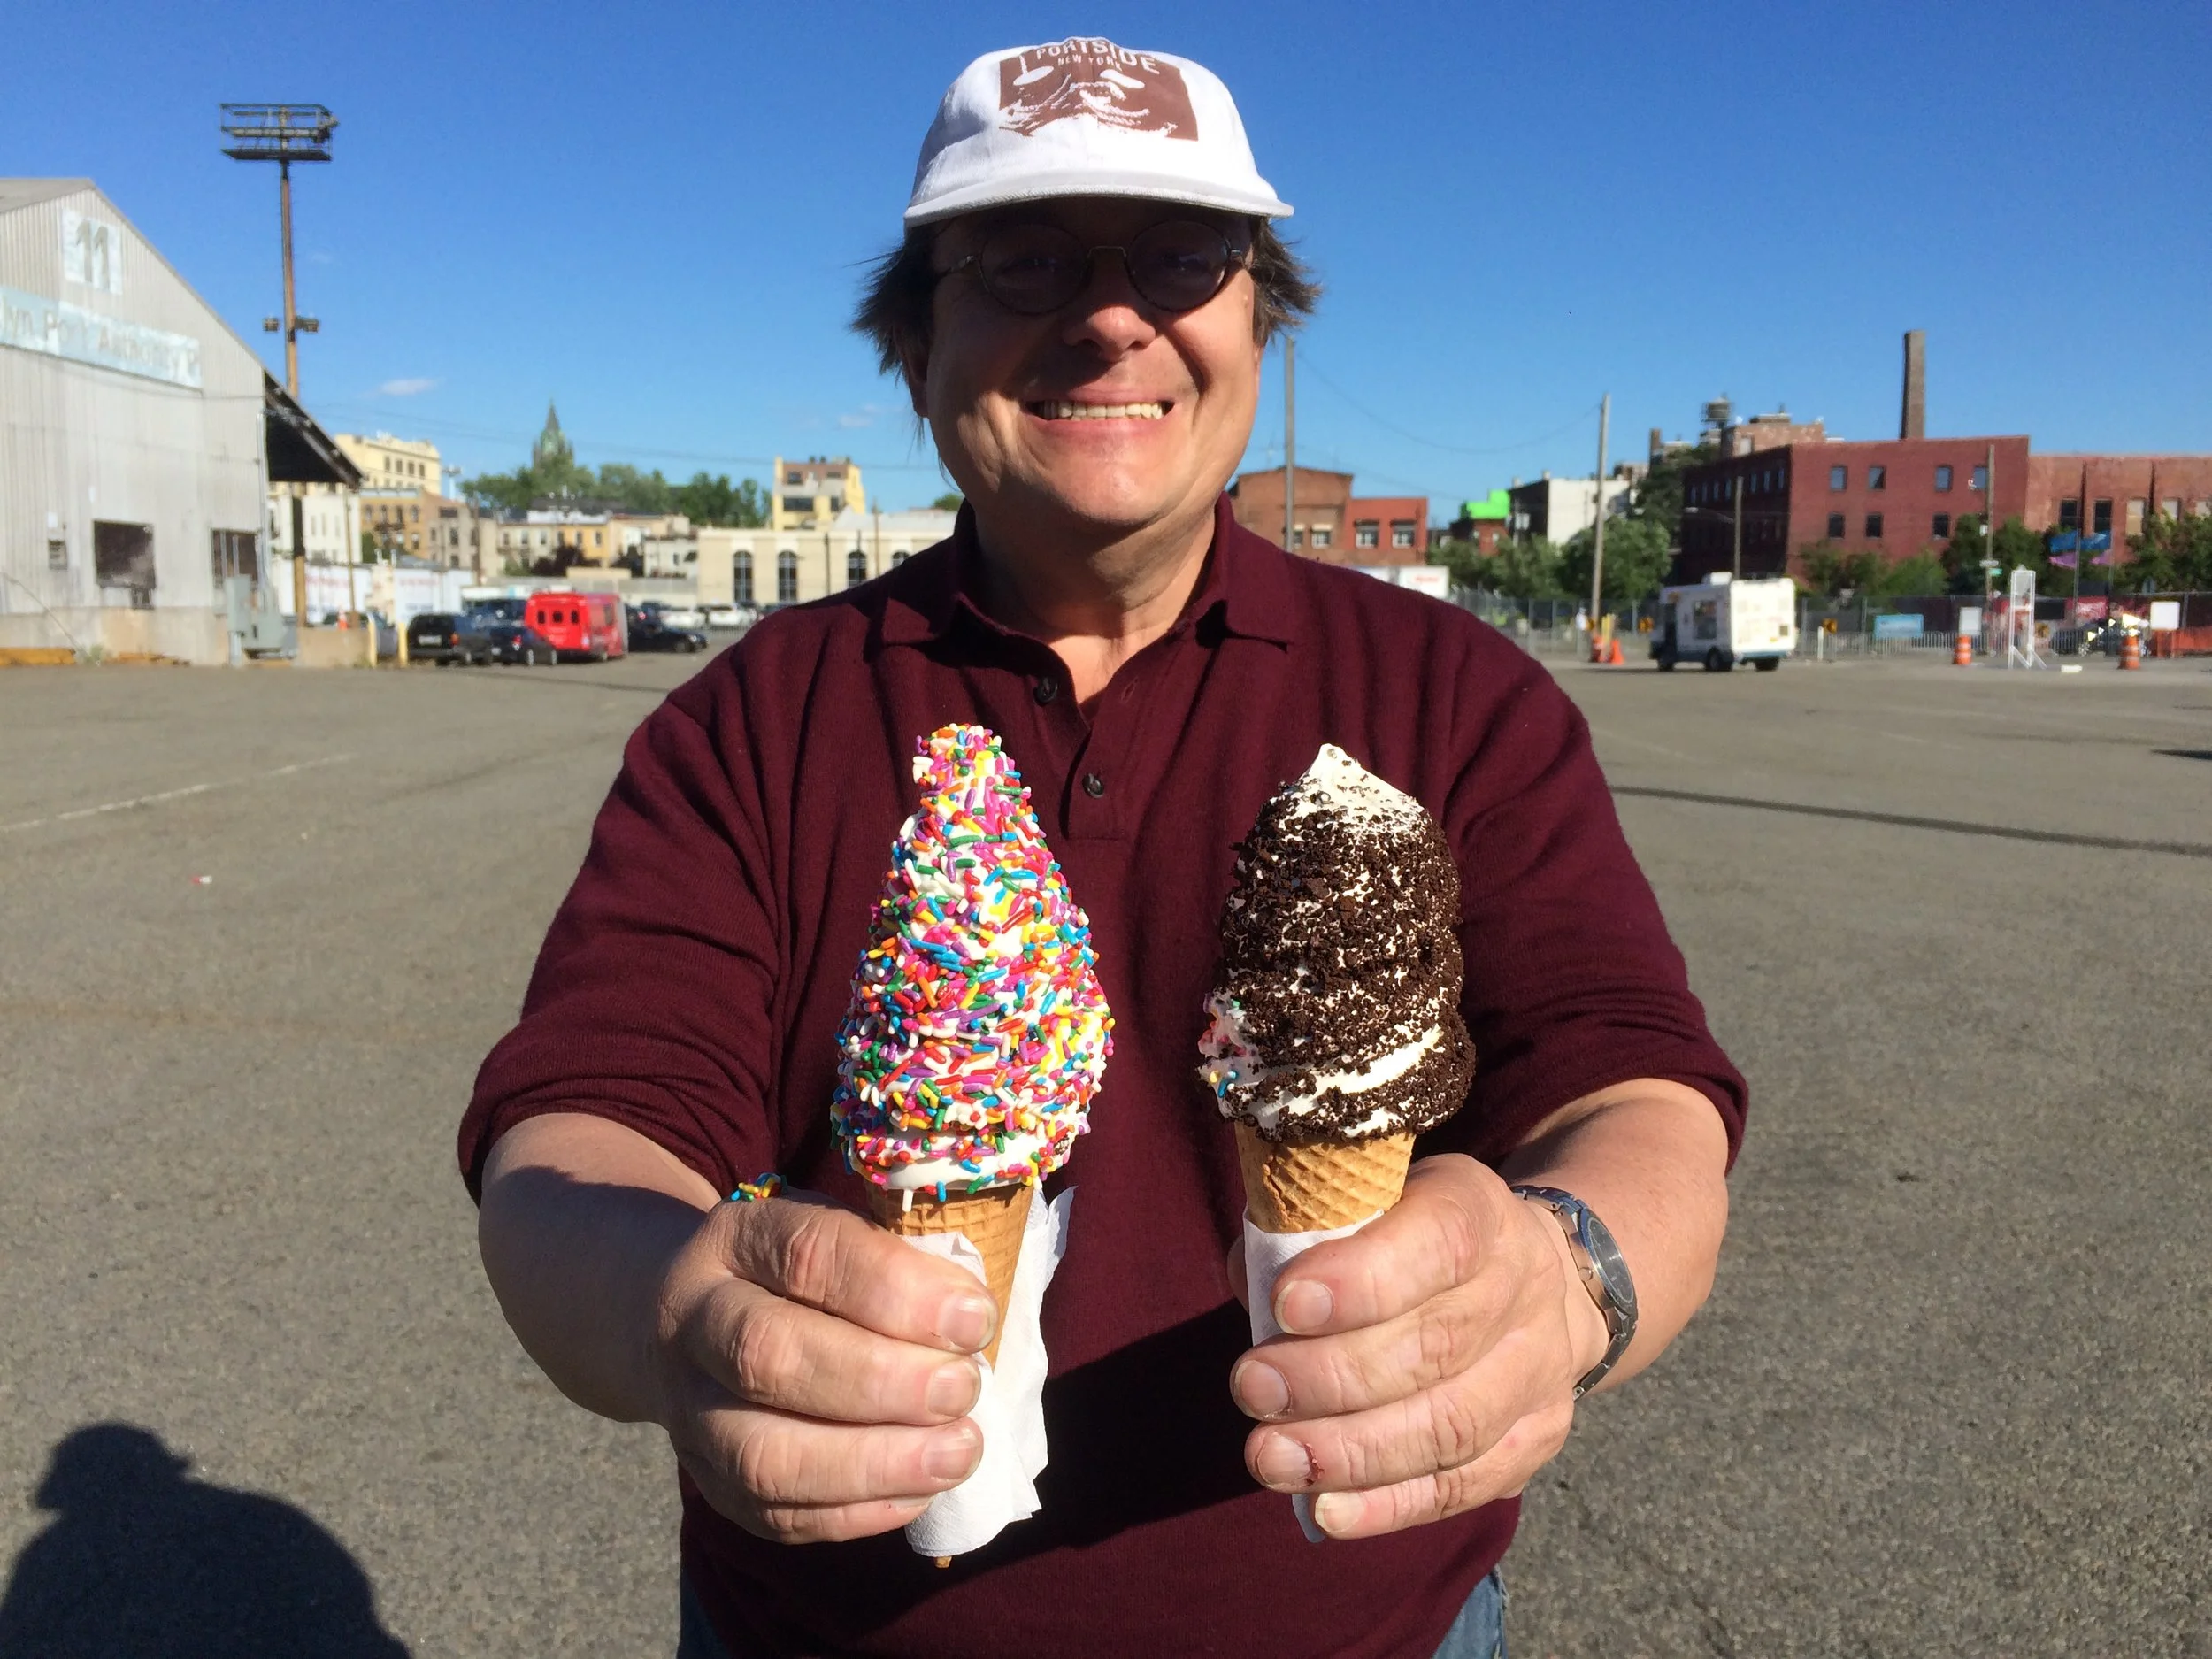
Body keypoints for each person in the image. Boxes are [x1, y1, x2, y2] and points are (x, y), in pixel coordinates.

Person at [462, 38, 1744, 1659]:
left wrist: (1569, 1283)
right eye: (1025, 260)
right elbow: (582, 1128)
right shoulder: (755, 719)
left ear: (1258, 324)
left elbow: (1637, 1088)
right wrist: (674, 1309)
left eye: (1184, 259)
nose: (1113, 316)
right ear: (914, 345)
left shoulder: (1454, 697)